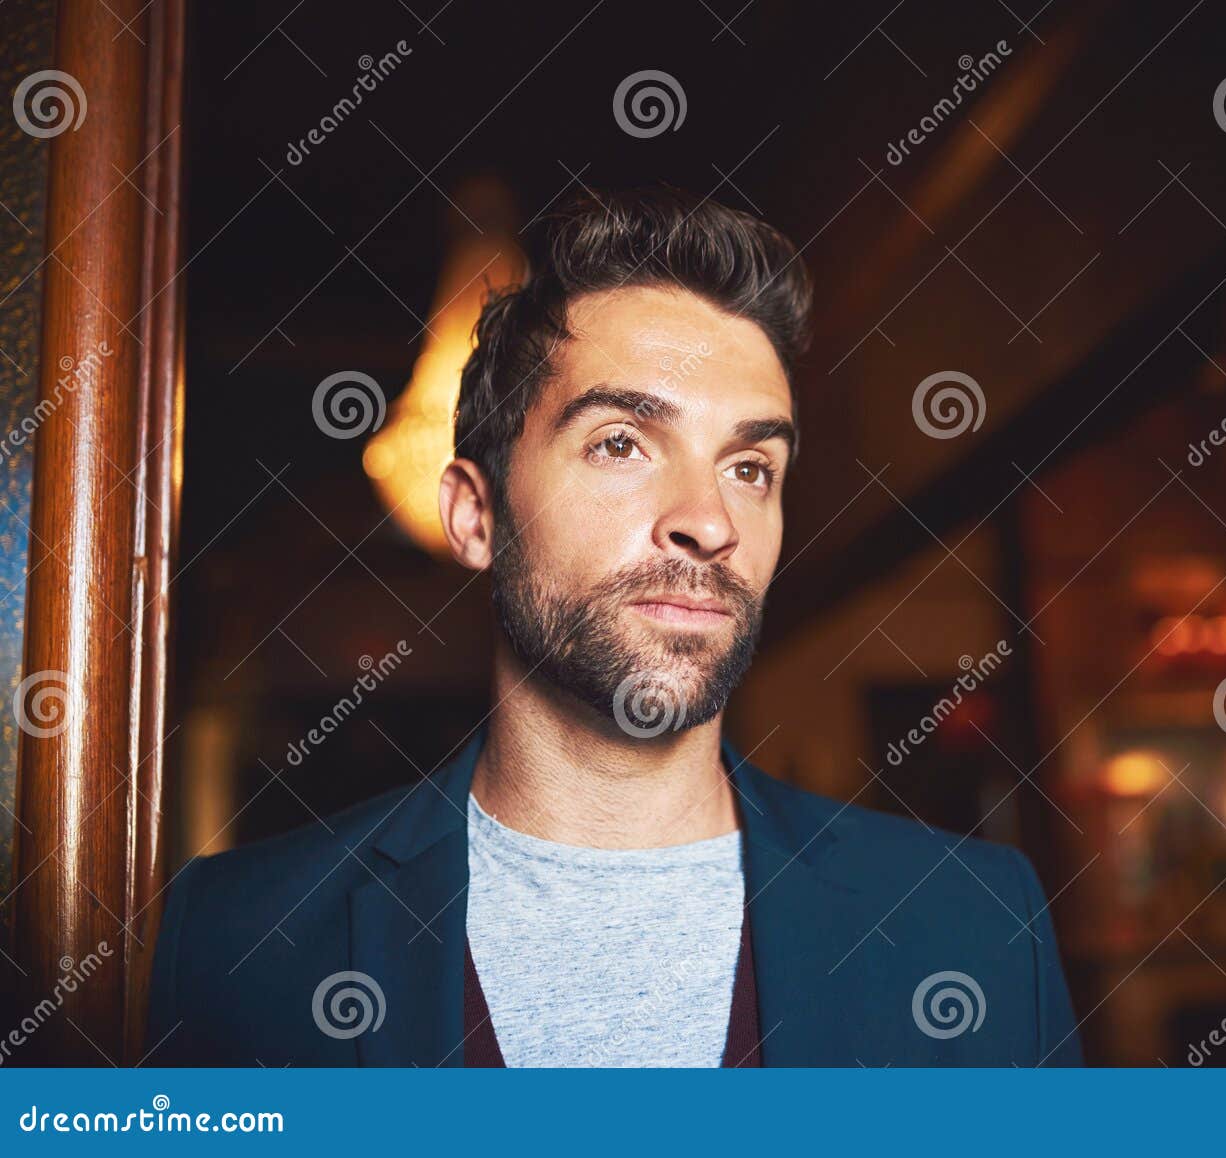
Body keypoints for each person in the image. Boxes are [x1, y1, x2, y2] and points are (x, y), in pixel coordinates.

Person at [146, 187, 1082, 1067]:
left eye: (750, 466)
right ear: (475, 517)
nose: (709, 520)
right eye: (622, 444)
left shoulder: (973, 925)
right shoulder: (238, 941)